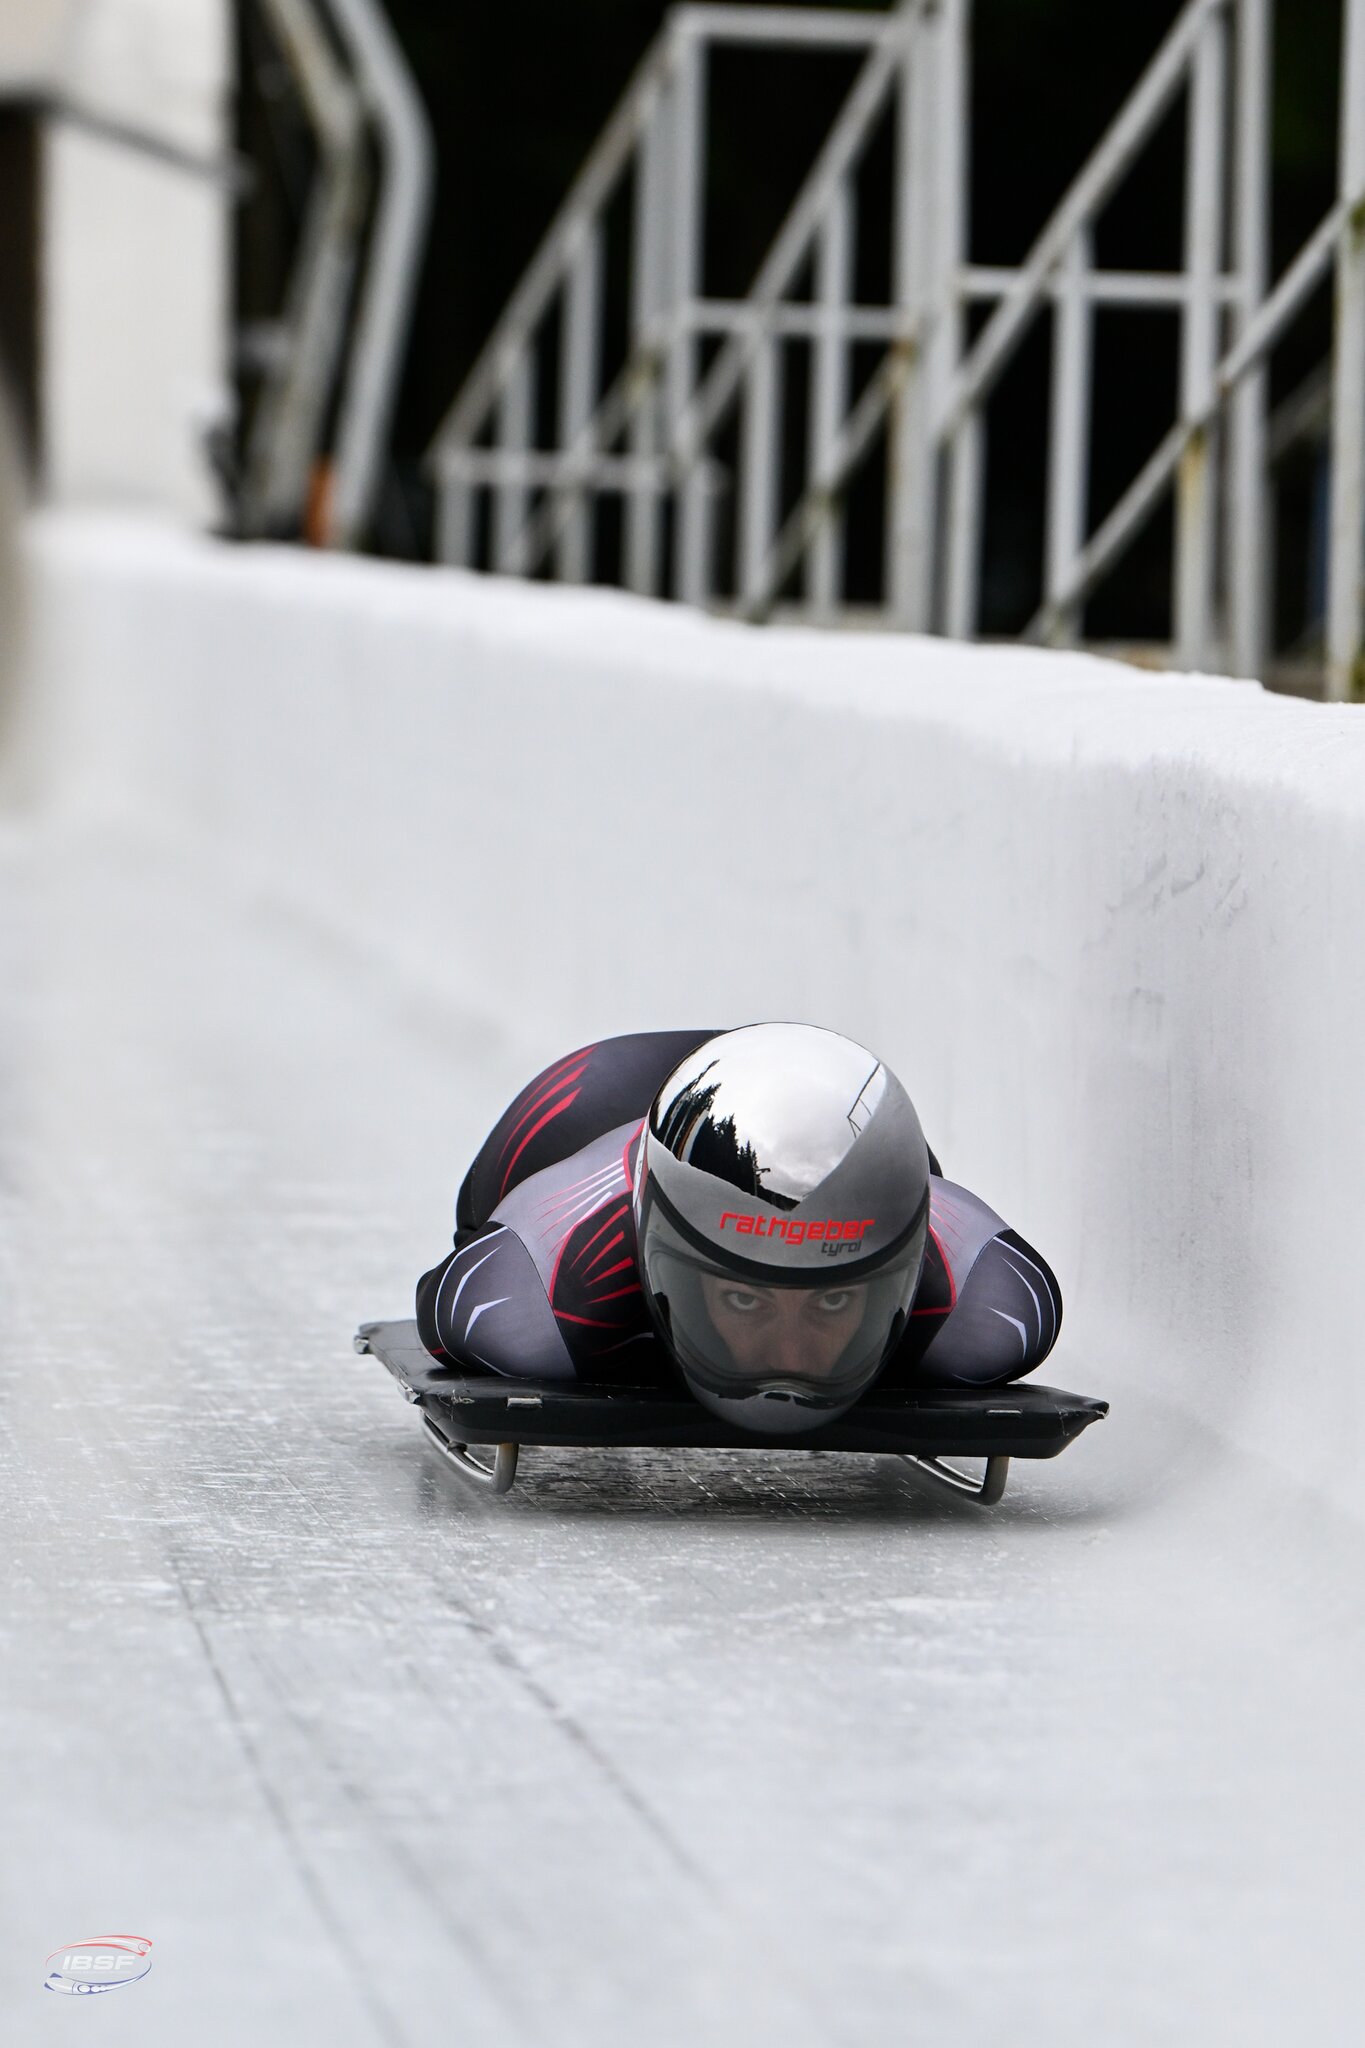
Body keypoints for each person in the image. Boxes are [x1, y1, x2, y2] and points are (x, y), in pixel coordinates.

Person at [416, 1023, 1062, 1434]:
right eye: (744, 1298)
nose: (790, 1360)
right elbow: (440, 1300)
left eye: (833, 1300)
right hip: (586, 1102)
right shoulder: (527, 1298)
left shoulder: (989, 1311)